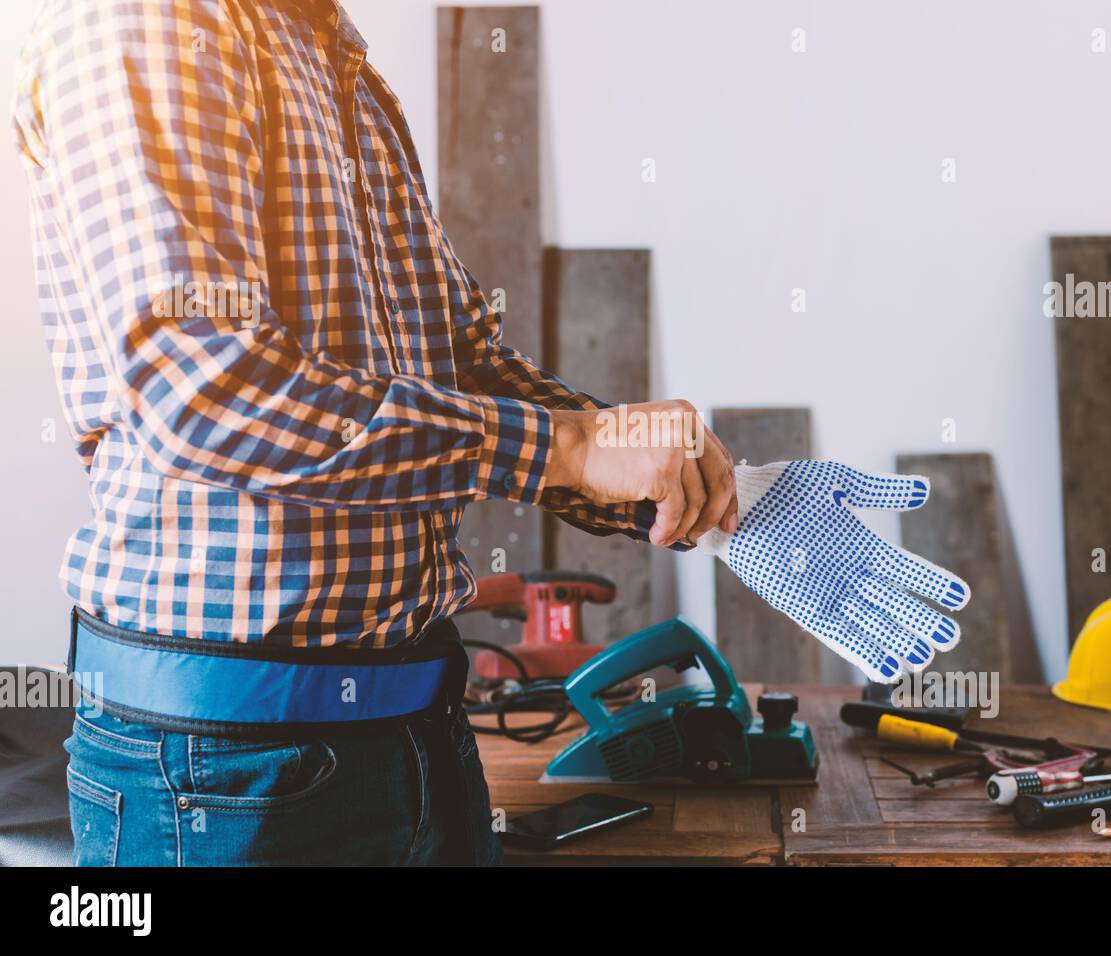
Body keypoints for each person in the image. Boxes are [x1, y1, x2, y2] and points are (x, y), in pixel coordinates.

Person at [12, 0, 737, 865]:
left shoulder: (332, 53)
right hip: (228, 772)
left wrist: (668, 482)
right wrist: (569, 449)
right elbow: (205, 386)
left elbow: (461, 360)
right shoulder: (147, 20)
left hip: (417, 728)